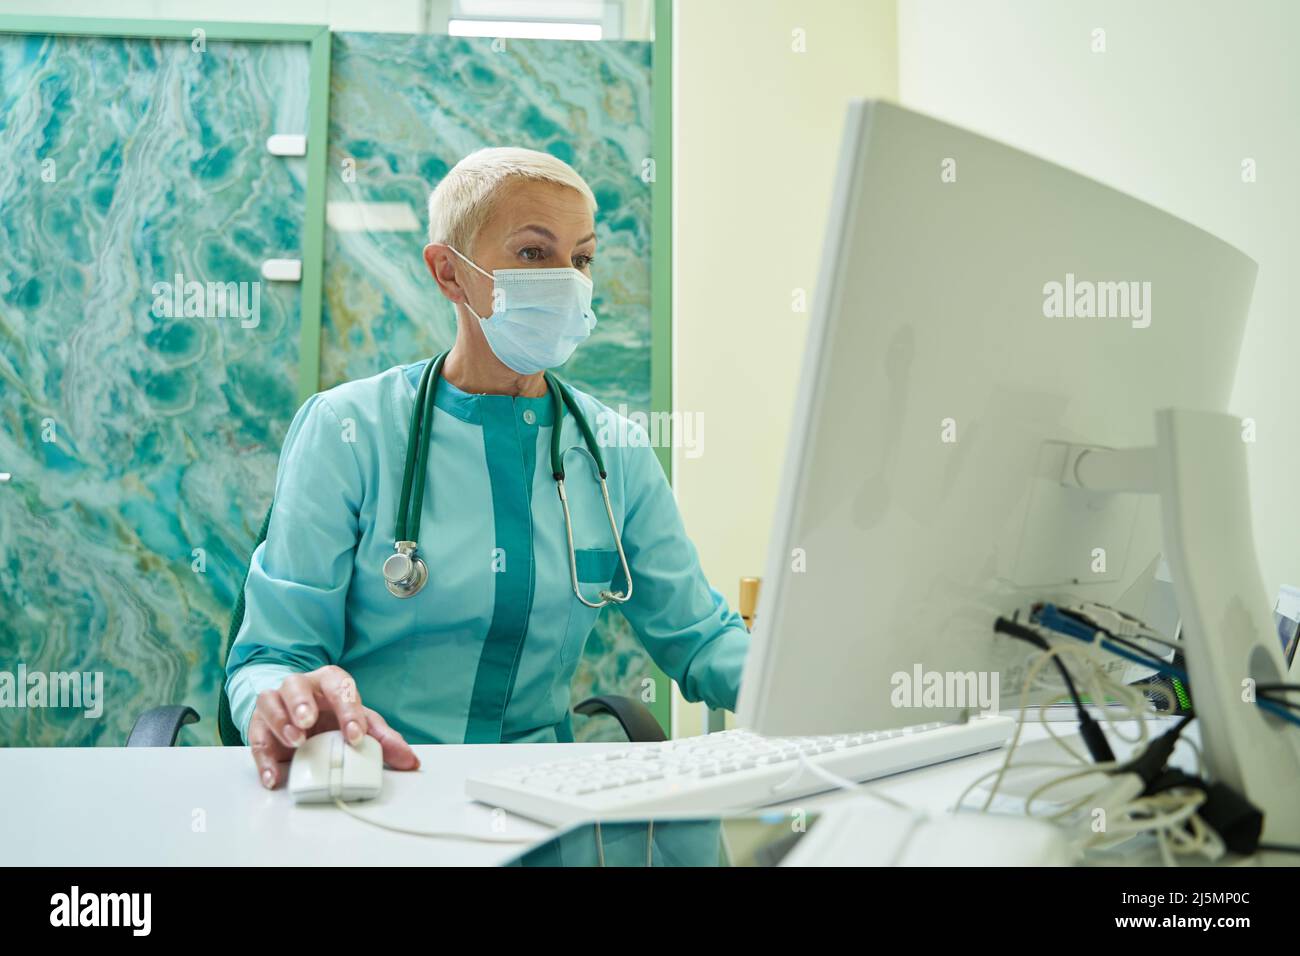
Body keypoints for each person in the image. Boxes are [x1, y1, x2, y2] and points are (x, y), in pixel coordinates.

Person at [225, 147, 750, 789]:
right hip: (379, 783)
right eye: (534, 254)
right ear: (450, 273)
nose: (569, 280)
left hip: (547, 797)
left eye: (581, 258)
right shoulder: (347, 431)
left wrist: (811, 680)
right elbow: (274, 655)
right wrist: (287, 705)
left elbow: (699, 639)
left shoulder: (614, 450)